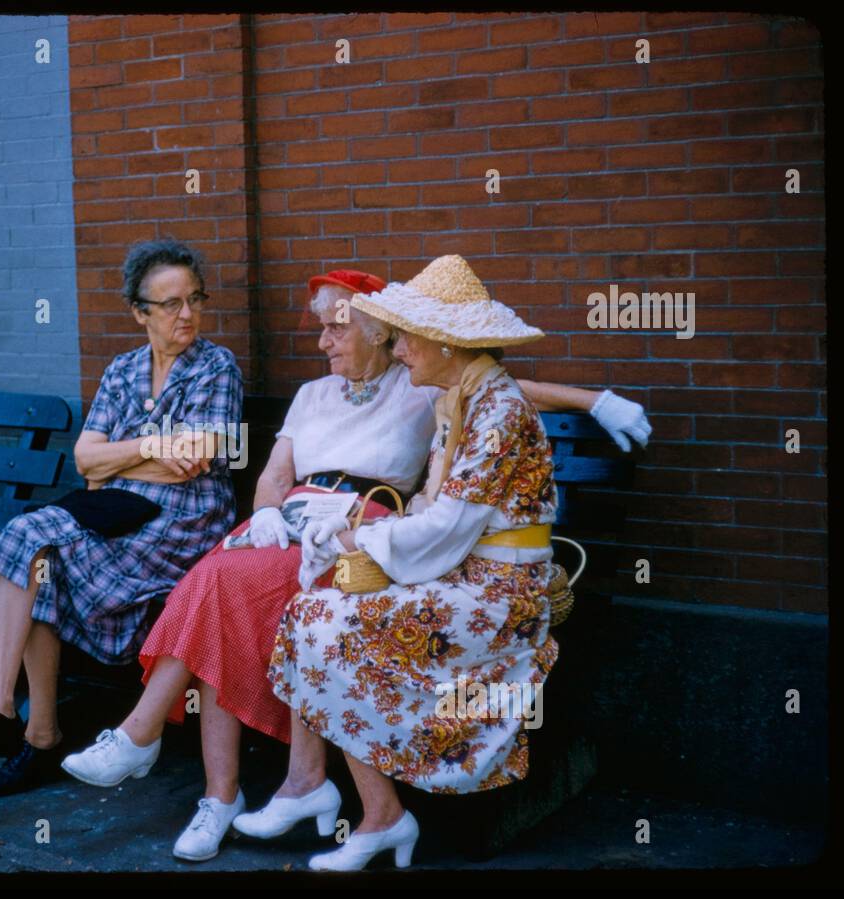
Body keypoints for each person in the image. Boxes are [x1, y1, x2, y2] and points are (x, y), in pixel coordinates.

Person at [61, 265, 651, 861]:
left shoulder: (427, 384)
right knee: (221, 589)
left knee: (229, 587)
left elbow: (500, 389)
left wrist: (596, 401)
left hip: (369, 522)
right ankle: (229, 789)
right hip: (303, 521)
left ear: (381, 332)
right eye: (321, 327)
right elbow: (274, 475)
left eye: (338, 326)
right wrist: (267, 513)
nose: (324, 341)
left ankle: (183, 760)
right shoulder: (323, 393)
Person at [241, 254, 564, 870]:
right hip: (464, 575)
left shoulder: (495, 410)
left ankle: (372, 813)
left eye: (408, 334)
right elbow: (433, 514)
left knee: (327, 624)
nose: (400, 346)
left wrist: (357, 543)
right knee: (313, 615)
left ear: (446, 342)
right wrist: (352, 529)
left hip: (499, 595)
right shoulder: (461, 399)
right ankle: (370, 810)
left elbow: (448, 528)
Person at [0, 238, 244, 797]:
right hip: (118, 514)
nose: (186, 314)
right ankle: (20, 717)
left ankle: (17, 722)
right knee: (32, 551)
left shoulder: (216, 367)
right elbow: (86, 460)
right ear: (139, 311)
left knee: (38, 552)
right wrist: (155, 449)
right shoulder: (122, 371)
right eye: (170, 304)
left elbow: (197, 459)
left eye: (194, 299)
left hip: (185, 526)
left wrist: (123, 459)